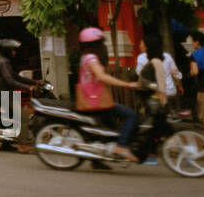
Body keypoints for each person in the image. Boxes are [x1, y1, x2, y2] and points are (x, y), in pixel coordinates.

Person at [76, 27, 143, 162]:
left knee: (109, 127)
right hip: (95, 100)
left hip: (92, 98)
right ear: (95, 44)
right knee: (131, 115)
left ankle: (97, 161)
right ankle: (121, 146)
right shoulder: (91, 58)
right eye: (101, 42)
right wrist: (127, 84)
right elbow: (102, 77)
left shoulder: (85, 57)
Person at [134, 38, 182, 103]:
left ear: (147, 47)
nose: (139, 46)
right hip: (170, 90)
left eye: (141, 44)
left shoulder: (144, 59)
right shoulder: (166, 56)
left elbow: (140, 76)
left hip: (156, 93)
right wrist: (180, 86)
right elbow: (176, 73)